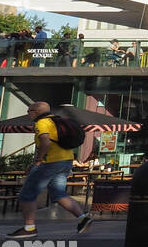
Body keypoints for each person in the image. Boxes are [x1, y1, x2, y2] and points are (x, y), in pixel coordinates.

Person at [9, 102, 92, 239]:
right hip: (66, 161)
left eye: (29, 110)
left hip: (50, 163)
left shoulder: (41, 123)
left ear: (35, 111)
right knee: (58, 193)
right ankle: (83, 218)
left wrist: (37, 161)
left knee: (26, 195)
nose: (28, 113)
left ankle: (29, 228)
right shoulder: (56, 121)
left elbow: (45, 143)